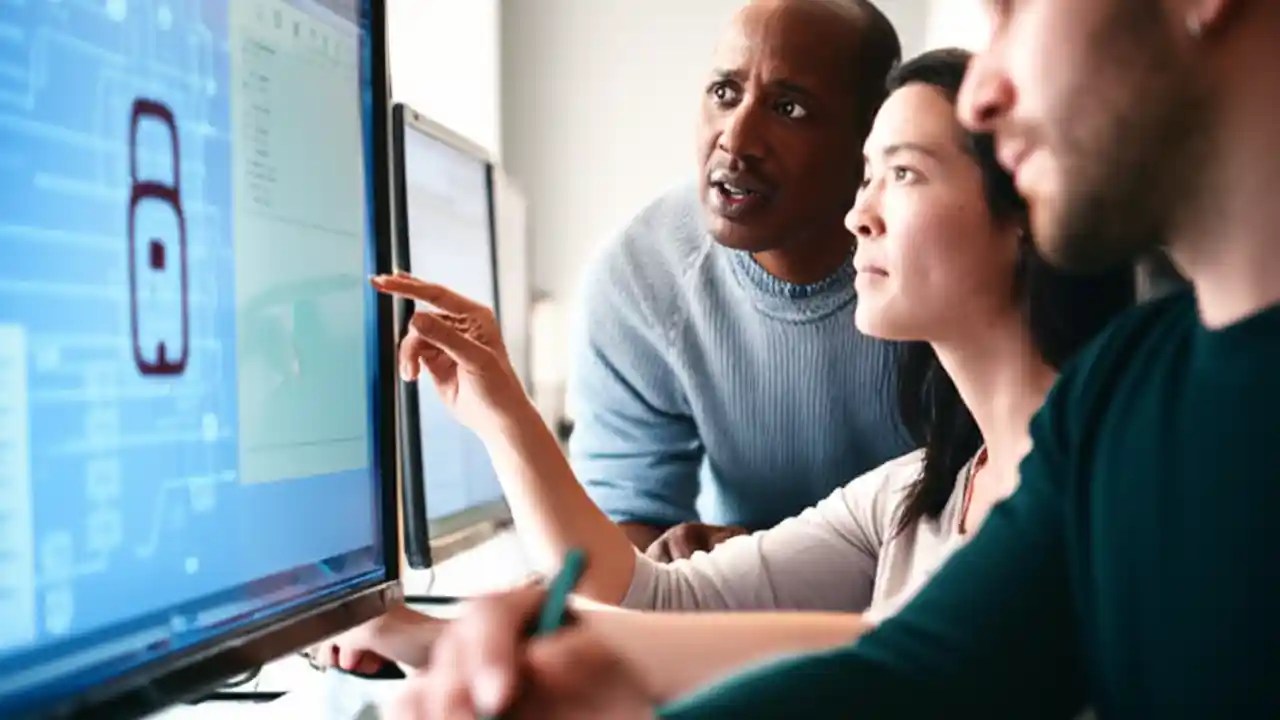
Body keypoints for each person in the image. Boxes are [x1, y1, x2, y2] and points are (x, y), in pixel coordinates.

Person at [382, 0, 1280, 717]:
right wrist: (540, 658)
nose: (987, 92)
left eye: (1012, 9)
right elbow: (915, 667)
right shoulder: (1122, 398)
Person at [556, 0, 910, 559]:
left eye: (789, 108)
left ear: (870, 136)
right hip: (735, 613)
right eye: (725, 93)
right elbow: (621, 531)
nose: (736, 140)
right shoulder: (640, 276)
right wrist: (677, 557)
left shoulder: (941, 259)